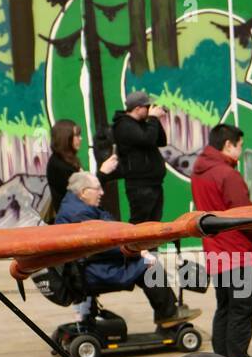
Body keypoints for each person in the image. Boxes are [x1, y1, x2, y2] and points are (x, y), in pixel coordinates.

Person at [53, 171, 199, 327]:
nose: (102, 193)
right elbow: (103, 244)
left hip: (86, 267)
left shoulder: (74, 207)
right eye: (98, 189)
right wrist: (135, 251)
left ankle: (167, 312)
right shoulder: (80, 213)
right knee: (149, 265)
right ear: (83, 192)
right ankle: (167, 314)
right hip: (93, 271)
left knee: (146, 261)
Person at [190, 124, 252, 357]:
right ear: (228, 145)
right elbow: (244, 216)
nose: (241, 151)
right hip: (236, 252)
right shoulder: (227, 174)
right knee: (241, 308)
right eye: (240, 146)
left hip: (216, 251)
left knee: (224, 307)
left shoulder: (199, 172)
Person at [110, 90, 168, 224]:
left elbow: (161, 141)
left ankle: (151, 246)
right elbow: (146, 139)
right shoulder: (124, 125)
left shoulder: (142, 124)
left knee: (154, 224)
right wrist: (153, 118)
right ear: (137, 108)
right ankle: (135, 246)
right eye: (147, 107)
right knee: (140, 224)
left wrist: (155, 120)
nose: (150, 110)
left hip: (154, 183)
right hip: (140, 185)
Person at [45, 119, 117, 219]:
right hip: (74, 219)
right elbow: (83, 193)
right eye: (77, 135)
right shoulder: (59, 165)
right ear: (66, 138)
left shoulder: (68, 161)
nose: (80, 138)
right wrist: (103, 172)